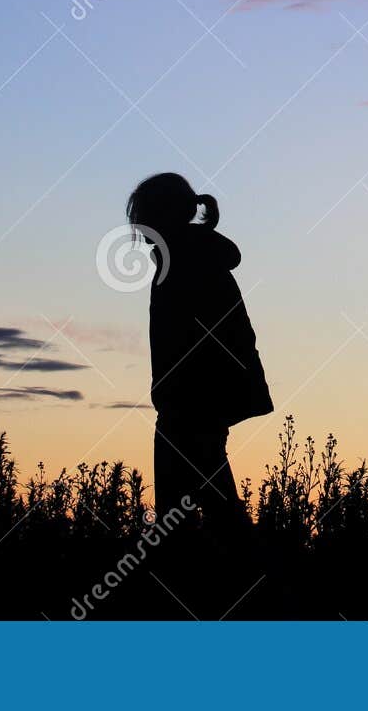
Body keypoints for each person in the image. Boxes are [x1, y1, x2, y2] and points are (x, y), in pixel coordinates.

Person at [126, 173, 273, 530]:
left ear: (160, 216)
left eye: (140, 217)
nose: (136, 227)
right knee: (209, 505)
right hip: (197, 404)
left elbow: (198, 340)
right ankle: (251, 576)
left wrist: (181, 396)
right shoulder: (190, 256)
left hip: (192, 405)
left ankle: (250, 577)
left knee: (188, 515)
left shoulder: (186, 261)